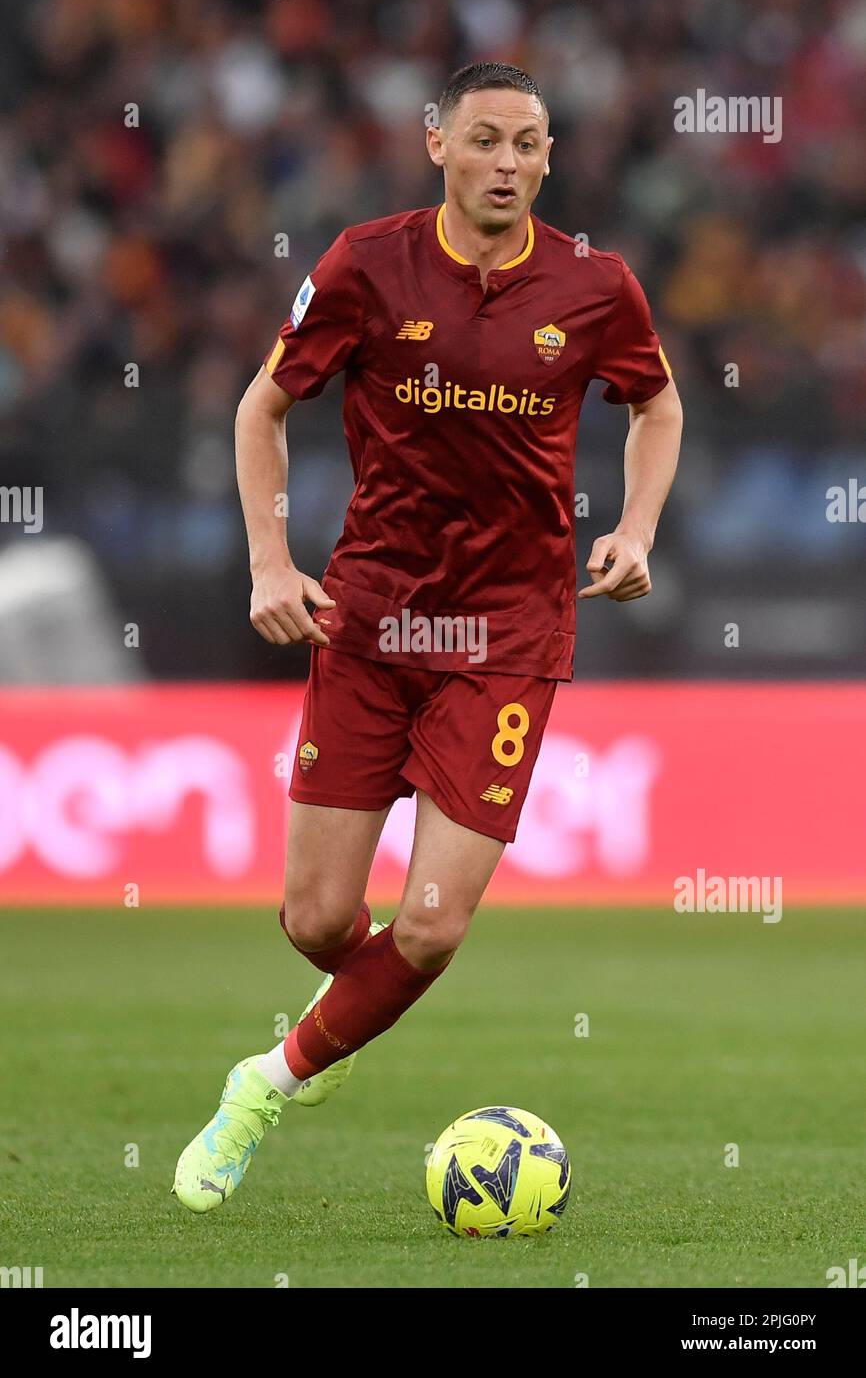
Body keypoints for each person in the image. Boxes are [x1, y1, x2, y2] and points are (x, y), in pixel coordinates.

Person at [173, 61, 682, 1212]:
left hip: (508, 631)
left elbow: (655, 404)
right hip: (372, 618)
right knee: (315, 922)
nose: (508, 163)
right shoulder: (364, 262)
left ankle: (265, 1082)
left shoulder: (595, 286)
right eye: (487, 139)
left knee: (434, 923)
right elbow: (262, 406)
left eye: (529, 145)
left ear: (550, 159)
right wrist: (268, 558)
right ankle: (339, 1015)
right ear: (436, 143)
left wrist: (636, 526)